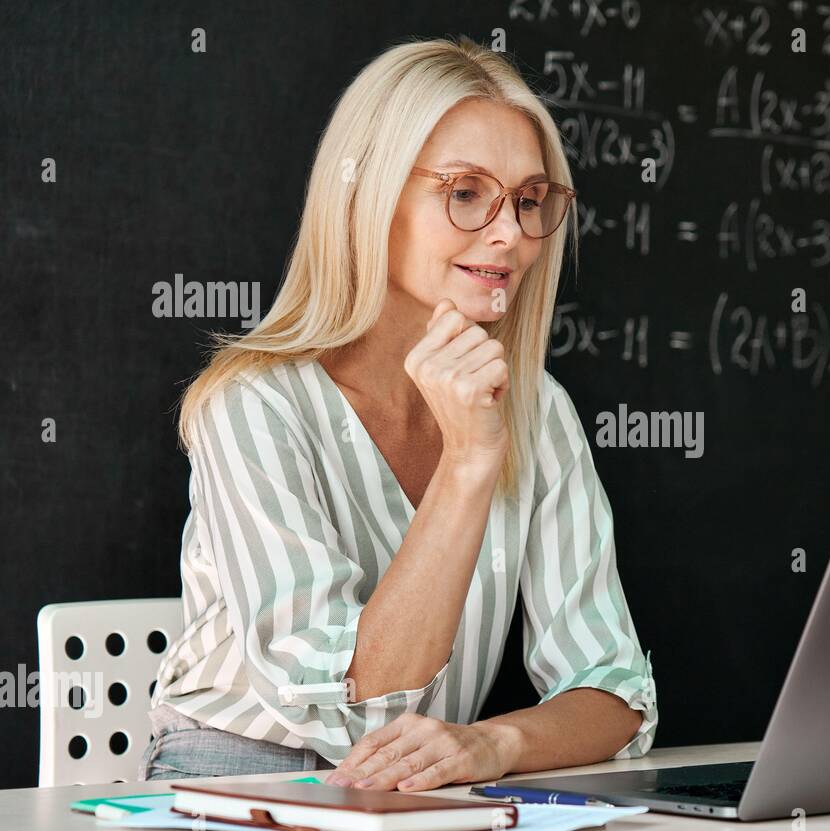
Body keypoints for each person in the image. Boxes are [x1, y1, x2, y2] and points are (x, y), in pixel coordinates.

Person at [139, 37, 657, 792]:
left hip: (420, 786)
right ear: (368, 195)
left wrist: (493, 744)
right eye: (465, 191)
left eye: (528, 199)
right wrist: (470, 462)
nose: (509, 233)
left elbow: (618, 695)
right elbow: (351, 707)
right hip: (238, 773)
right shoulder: (253, 407)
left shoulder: (540, 412)